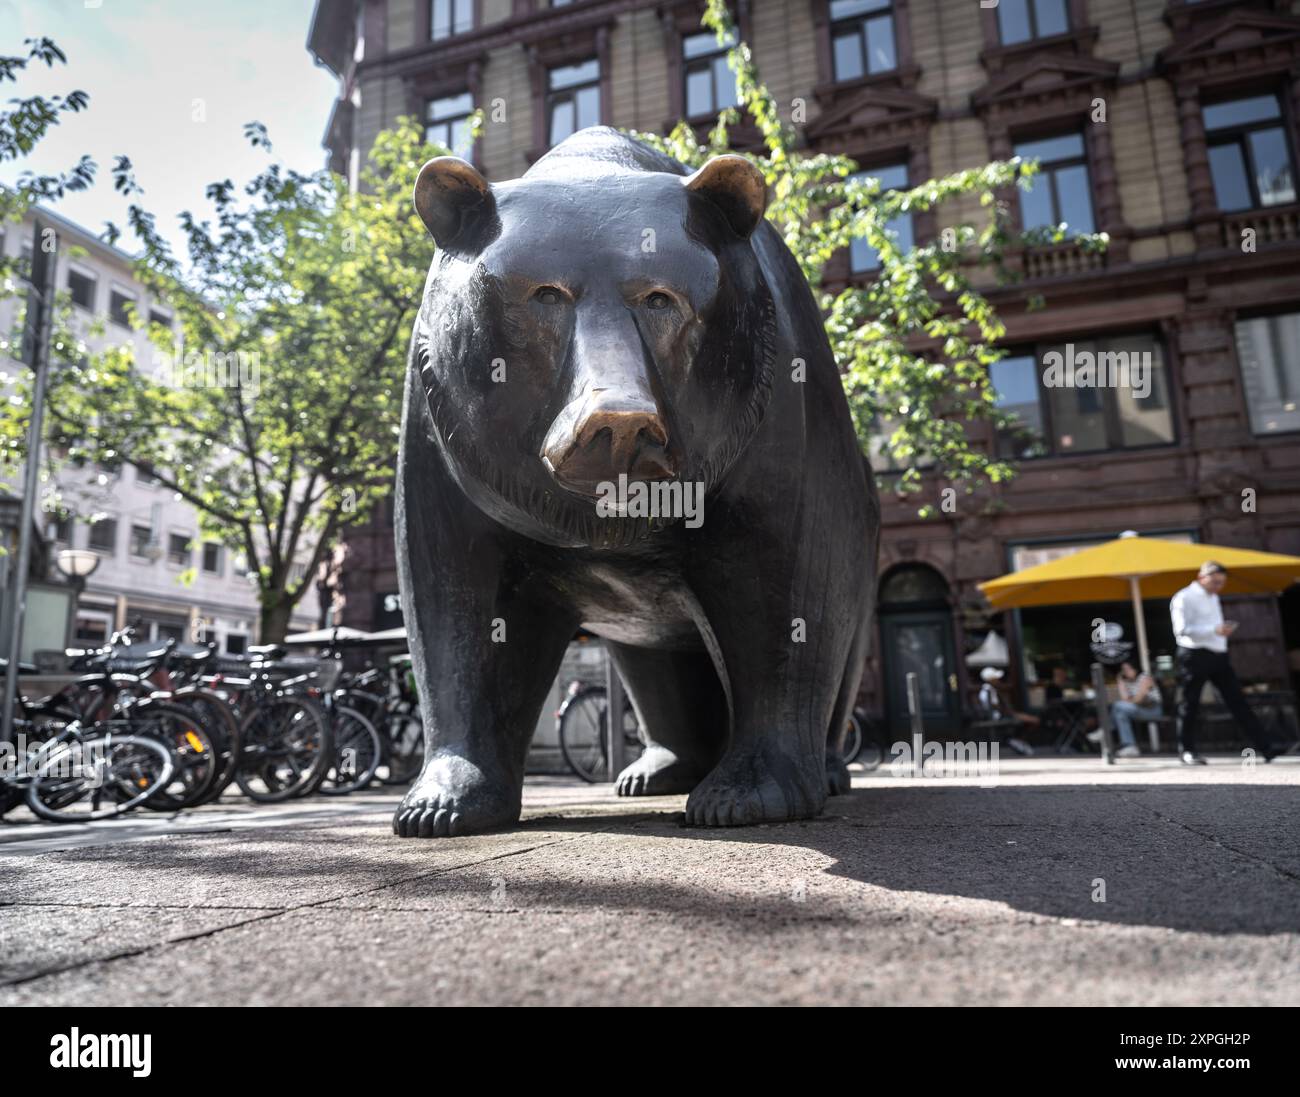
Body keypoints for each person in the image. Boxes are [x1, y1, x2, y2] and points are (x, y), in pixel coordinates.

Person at [1169, 560, 1278, 765]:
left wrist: (1221, 633)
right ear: (1202, 577)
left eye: (1221, 583)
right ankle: (1187, 750)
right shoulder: (1184, 597)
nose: (1218, 587)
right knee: (1190, 704)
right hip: (1194, 654)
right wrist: (1214, 630)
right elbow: (1181, 630)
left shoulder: (1213, 598)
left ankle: (1266, 748)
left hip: (1218, 655)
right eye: (1215, 582)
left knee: (1238, 701)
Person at [1088, 662, 1159, 758]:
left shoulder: (1145, 677)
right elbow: (1125, 698)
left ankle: (1105, 730)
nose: (1126, 672)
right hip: (1136, 709)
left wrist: (1130, 701)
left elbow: (1139, 698)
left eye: (1128, 669)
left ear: (1135, 669)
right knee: (1120, 714)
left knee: (1118, 705)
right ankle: (1130, 747)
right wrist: (1120, 682)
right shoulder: (1125, 681)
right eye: (1123, 670)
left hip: (1152, 710)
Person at [976, 667, 1035, 756]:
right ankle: (1016, 740)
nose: (998, 680)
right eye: (996, 678)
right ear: (991, 680)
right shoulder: (988, 691)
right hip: (998, 717)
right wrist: (1011, 713)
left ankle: (1016, 739)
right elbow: (996, 707)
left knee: (1030, 719)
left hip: (999, 715)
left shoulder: (990, 690)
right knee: (1033, 720)